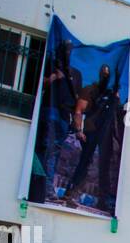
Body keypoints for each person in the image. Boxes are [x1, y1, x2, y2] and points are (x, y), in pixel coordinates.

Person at [63, 63, 123, 210]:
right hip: (91, 131)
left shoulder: (111, 94)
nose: (105, 76)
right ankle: (71, 193)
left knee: (105, 167)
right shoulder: (90, 90)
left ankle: (103, 200)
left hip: (106, 135)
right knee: (85, 162)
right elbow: (78, 110)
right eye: (104, 73)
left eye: (107, 74)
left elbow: (117, 116)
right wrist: (78, 130)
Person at [40, 39, 82, 196]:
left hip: (65, 116)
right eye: (65, 49)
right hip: (50, 109)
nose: (68, 52)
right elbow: (39, 84)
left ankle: (47, 186)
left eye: (70, 49)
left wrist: (78, 126)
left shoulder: (76, 74)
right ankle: (45, 186)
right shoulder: (50, 65)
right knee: (47, 148)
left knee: (55, 151)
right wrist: (53, 77)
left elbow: (78, 102)